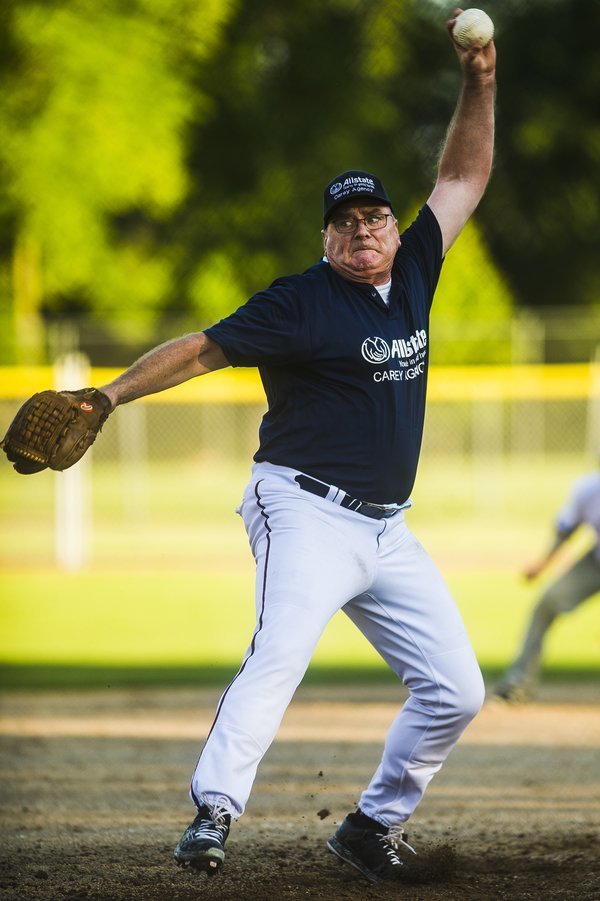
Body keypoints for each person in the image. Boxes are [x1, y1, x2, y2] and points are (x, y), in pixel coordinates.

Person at [93, 10, 496, 886]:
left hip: (389, 529)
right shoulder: (298, 301)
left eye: (375, 215)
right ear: (326, 236)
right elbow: (201, 347)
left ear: (394, 226)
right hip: (303, 506)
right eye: (345, 220)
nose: (364, 229)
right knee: (281, 649)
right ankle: (213, 813)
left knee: (458, 689)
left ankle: (370, 824)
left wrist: (481, 77)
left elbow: (463, 172)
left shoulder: (417, 267)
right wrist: (107, 395)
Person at [493, 464, 600, 703]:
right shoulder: (589, 489)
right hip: (595, 563)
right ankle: (518, 683)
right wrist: (543, 564)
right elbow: (566, 529)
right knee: (547, 603)